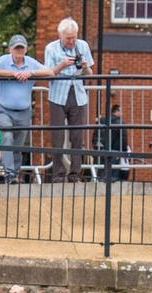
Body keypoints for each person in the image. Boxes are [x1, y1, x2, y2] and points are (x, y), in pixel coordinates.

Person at [0, 35, 46, 182]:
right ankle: (9, 174)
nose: (19, 51)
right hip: (3, 108)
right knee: (7, 136)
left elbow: (50, 72)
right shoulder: (3, 60)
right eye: (16, 48)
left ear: (26, 49)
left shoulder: (31, 63)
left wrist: (30, 73)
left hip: (24, 111)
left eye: (22, 48)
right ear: (10, 50)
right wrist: (12, 74)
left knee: (18, 145)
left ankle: (15, 173)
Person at [43, 18, 95, 182]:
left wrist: (85, 66)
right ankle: (58, 175)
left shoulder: (83, 46)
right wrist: (62, 65)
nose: (72, 41)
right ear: (60, 36)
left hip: (78, 95)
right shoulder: (51, 48)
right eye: (68, 38)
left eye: (74, 37)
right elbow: (48, 73)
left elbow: (90, 75)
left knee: (77, 137)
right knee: (57, 137)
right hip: (58, 94)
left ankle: (75, 174)